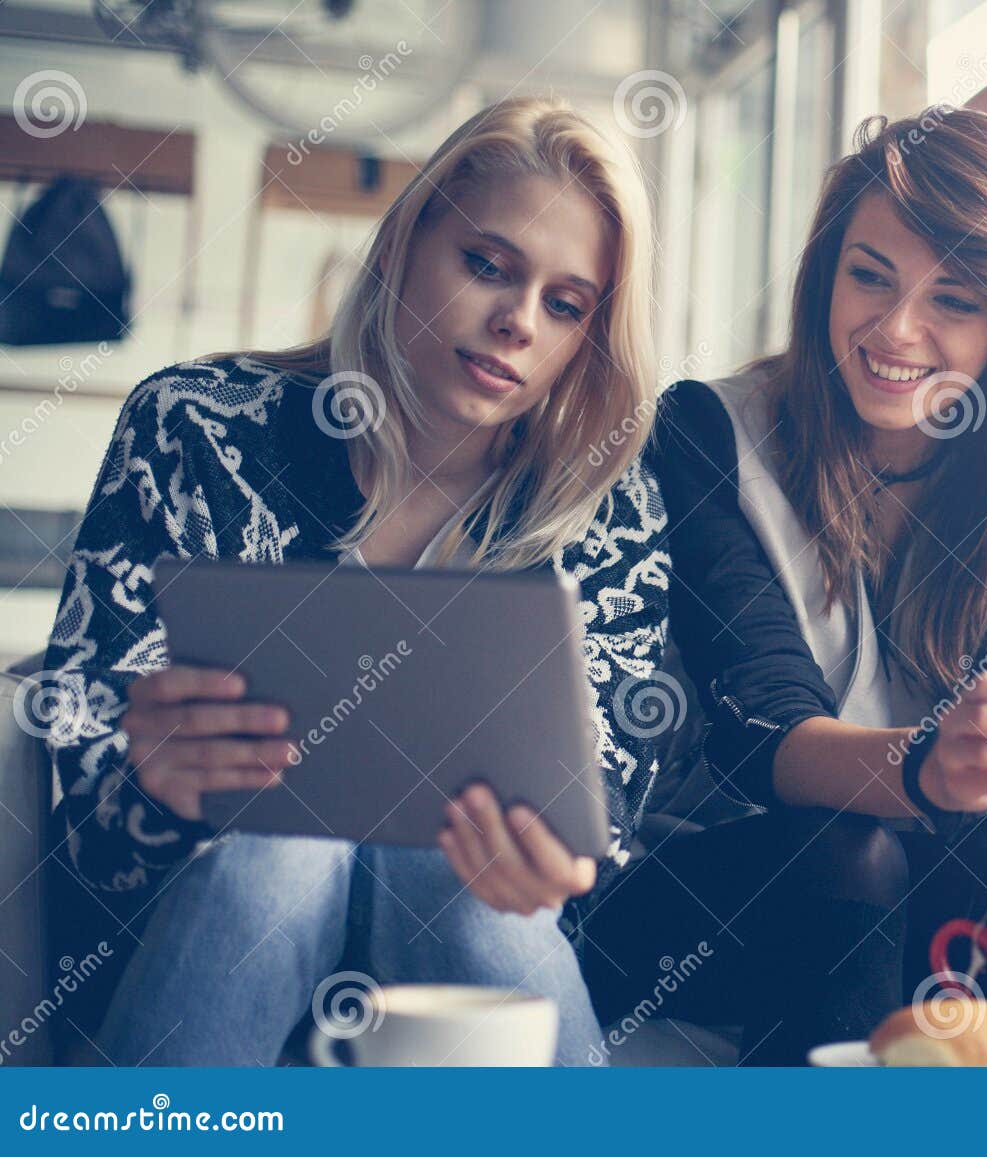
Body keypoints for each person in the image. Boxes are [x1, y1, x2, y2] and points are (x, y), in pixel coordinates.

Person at [40, 99, 669, 1066]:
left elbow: (609, 822)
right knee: (283, 841)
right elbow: (89, 843)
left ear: (592, 332)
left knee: (450, 867)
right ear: (405, 244)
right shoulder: (190, 430)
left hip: (471, 953)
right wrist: (151, 786)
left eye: (565, 304)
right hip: (202, 936)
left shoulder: (608, 508)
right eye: (488, 265)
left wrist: (562, 863)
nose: (516, 323)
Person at [578, 109, 987, 1066]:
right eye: (871, 276)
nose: (897, 329)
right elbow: (761, 731)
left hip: (905, 871)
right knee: (848, 856)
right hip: (694, 879)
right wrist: (927, 768)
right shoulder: (705, 432)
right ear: (828, 274)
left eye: (956, 299)